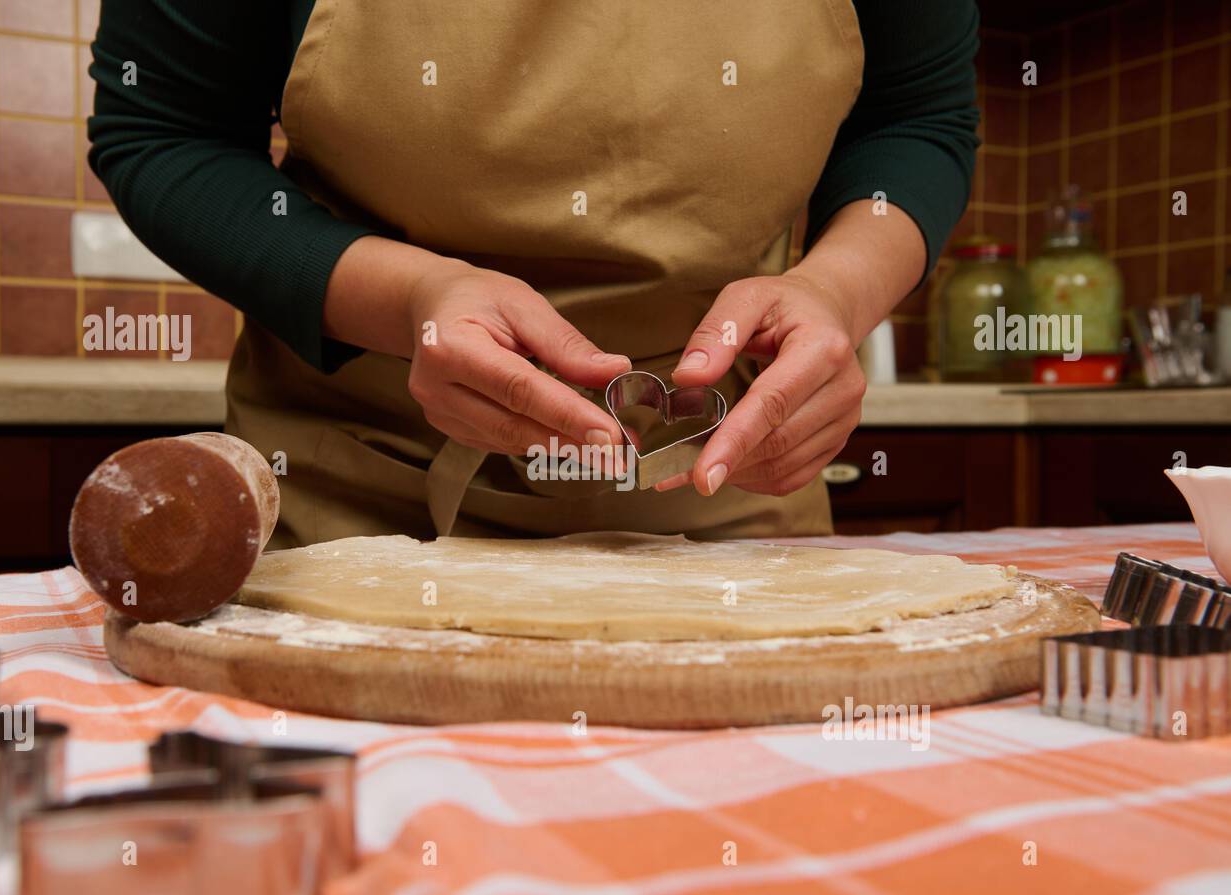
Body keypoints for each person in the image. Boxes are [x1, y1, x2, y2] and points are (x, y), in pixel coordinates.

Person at [89, 0, 979, 545]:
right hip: (358, 505)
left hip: (723, 502)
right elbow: (163, 128)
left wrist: (834, 290)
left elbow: (918, 116)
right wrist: (410, 303)